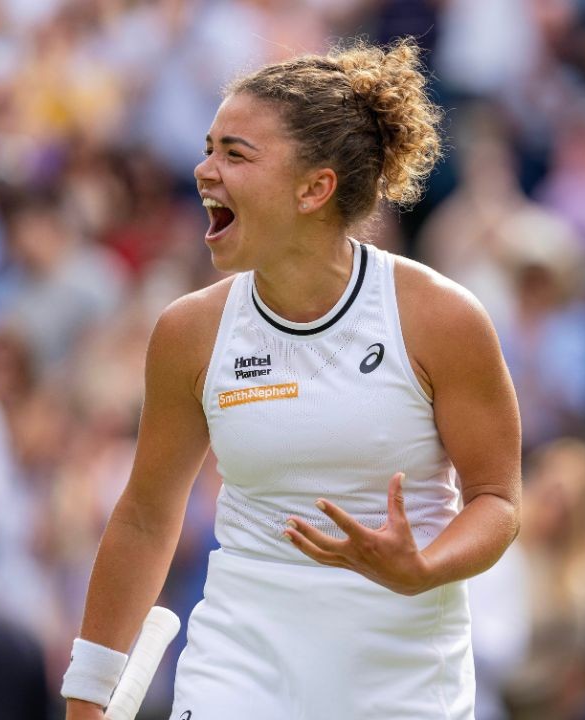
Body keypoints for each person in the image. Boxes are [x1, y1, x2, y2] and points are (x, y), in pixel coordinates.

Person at [63, 38, 522, 719]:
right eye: (208, 147)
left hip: (400, 683)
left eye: (235, 154)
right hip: (235, 670)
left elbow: (497, 502)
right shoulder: (189, 332)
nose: (203, 171)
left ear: (315, 188)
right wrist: (87, 693)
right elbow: (142, 518)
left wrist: (421, 567)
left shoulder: (441, 318)